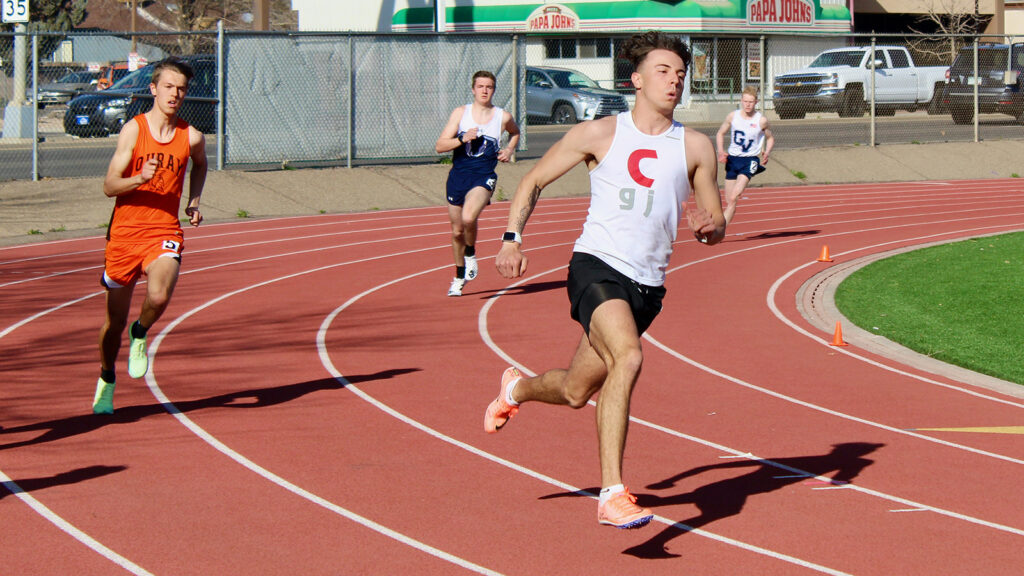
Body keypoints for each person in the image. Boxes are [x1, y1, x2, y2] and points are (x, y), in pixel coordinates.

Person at [485, 31, 725, 529]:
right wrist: (512, 237)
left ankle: (516, 390)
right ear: (636, 80)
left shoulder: (697, 146)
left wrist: (710, 227)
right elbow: (531, 181)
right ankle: (612, 493)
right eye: (663, 71)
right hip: (596, 266)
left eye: (680, 73)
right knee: (630, 357)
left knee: (575, 392)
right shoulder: (601, 133)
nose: (674, 80)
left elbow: (714, 221)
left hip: (648, 287)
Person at [92, 58, 208, 414]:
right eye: (169, 87)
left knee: (158, 295)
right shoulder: (133, 130)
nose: (175, 94)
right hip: (125, 234)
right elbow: (109, 186)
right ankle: (107, 377)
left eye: (182, 89)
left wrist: (194, 199)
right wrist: (139, 178)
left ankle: (140, 332)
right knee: (113, 324)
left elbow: (201, 164)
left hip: (163, 229)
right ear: (153, 88)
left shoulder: (191, 136)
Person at [435, 70, 520, 297]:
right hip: (458, 176)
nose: (484, 90)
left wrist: (509, 149)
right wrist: (462, 138)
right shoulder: (461, 114)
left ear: (494, 90)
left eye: (489, 87)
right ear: (473, 89)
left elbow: (515, 132)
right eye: (480, 86)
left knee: (469, 217)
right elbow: (440, 146)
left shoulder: (502, 116)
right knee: (456, 232)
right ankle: (459, 276)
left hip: (483, 176)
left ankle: (471, 254)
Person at [715, 85, 774, 224]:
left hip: (750, 161)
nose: (748, 105)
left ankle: (719, 227)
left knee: (735, 195)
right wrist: (721, 150)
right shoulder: (733, 116)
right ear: (741, 100)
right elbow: (720, 133)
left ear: (756, 102)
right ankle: (722, 229)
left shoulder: (761, 120)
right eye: (746, 101)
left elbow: (770, 138)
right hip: (733, 160)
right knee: (729, 199)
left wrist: (767, 152)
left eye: (751, 102)